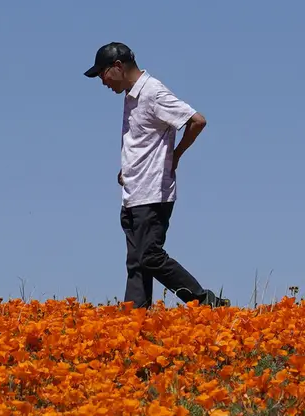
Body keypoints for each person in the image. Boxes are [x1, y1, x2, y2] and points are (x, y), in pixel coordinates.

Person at [86, 42, 229, 308]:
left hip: (153, 192)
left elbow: (197, 120)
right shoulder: (131, 96)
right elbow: (143, 140)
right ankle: (135, 322)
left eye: (103, 74)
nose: (102, 82)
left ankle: (205, 302)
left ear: (117, 67)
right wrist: (127, 169)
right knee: (137, 261)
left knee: (149, 256)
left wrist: (176, 155)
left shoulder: (153, 92)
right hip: (133, 192)